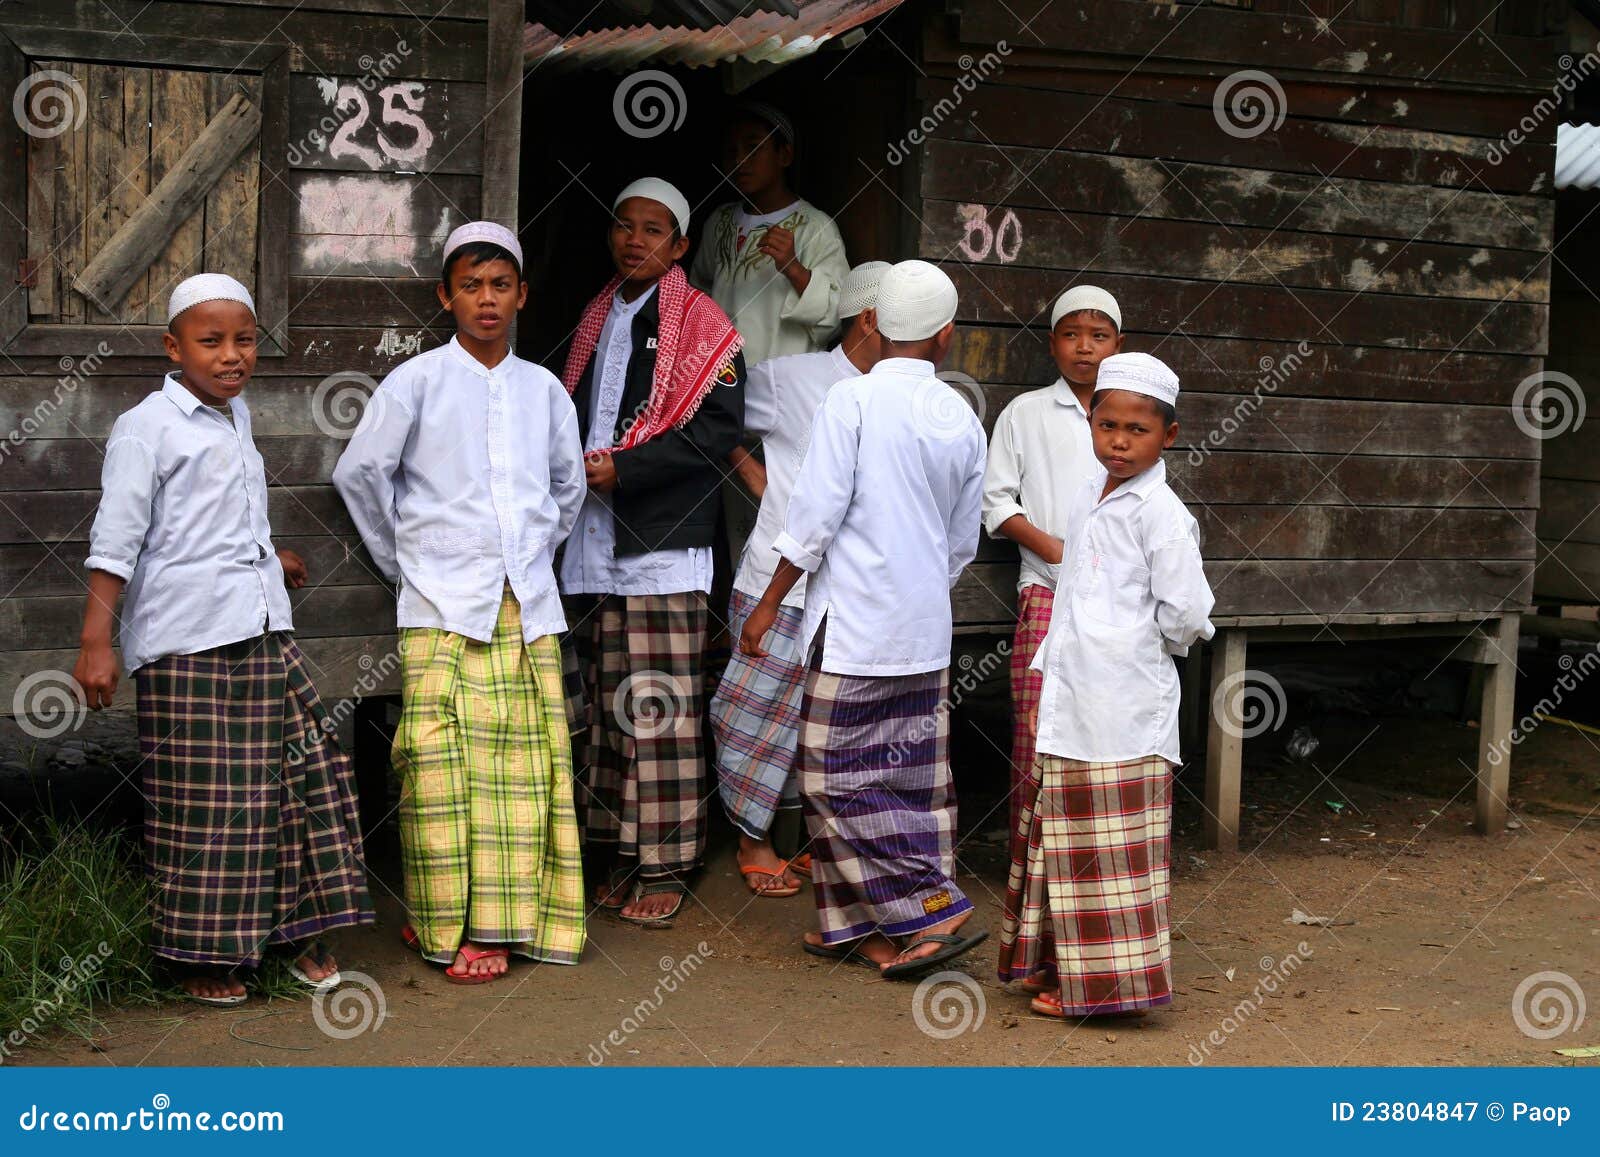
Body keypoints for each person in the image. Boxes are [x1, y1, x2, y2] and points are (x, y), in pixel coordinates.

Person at [74, 273, 372, 1006]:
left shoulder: (236, 418)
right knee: (209, 803)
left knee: (299, 780)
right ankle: (207, 958)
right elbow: (118, 539)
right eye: (211, 341)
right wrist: (96, 641)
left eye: (243, 339)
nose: (232, 355)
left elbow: (214, 524)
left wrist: (273, 559)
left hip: (261, 627)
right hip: (187, 640)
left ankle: (295, 934)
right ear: (174, 347)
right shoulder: (148, 426)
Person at [332, 221, 588, 984]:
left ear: (521, 295)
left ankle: (507, 927)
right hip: (439, 608)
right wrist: (405, 560)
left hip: (525, 608)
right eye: (471, 286)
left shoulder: (544, 390)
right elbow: (360, 476)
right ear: (446, 296)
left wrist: (529, 554)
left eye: (500, 286)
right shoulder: (415, 382)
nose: (486, 300)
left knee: (523, 769)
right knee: (438, 768)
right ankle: (444, 924)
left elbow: (567, 489)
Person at [740, 259, 988, 979]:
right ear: (945, 337)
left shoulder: (849, 403)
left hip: (852, 633)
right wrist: (914, 588)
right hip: (921, 631)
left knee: (833, 779)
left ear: (876, 324)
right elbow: (960, 543)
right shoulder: (962, 416)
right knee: (909, 778)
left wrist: (765, 603)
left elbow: (811, 520)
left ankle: (928, 908)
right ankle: (851, 926)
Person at [997, 351, 1215, 1019]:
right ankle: (1061, 968)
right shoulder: (1087, 494)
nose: (1119, 441)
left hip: (1123, 706)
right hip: (1072, 695)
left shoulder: (1163, 514)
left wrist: (1136, 648)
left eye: (1137, 430)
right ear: (1091, 422)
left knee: (1112, 856)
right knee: (1066, 836)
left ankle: (1107, 990)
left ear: (1169, 436)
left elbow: (1189, 614)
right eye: (1107, 425)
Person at [560, 178, 746, 928]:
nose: (635, 239)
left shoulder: (707, 328)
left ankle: (666, 858)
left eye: (654, 229)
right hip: (592, 541)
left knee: (659, 708)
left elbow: (716, 434)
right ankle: (613, 850)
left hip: (661, 542)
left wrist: (626, 470)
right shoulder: (597, 315)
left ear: (680, 246)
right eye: (625, 225)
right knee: (605, 705)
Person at [710, 261, 889, 898]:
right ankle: (751, 841)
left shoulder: (898, 395)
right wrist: (762, 484)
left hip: (853, 592)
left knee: (825, 719)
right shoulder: (794, 379)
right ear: (871, 317)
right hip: (774, 580)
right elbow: (713, 416)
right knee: (755, 714)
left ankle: (812, 841)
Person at [983, 286, 1123, 838]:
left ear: (1119, 344)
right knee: (1038, 726)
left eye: (1098, 336)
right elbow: (995, 502)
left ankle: (1092, 854)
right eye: (1071, 335)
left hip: (1116, 596)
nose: (1084, 348)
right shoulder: (1028, 412)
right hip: (1046, 590)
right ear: (1052, 344)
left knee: (1105, 722)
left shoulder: (1129, 415)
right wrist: (1053, 550)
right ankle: (1034, 853)